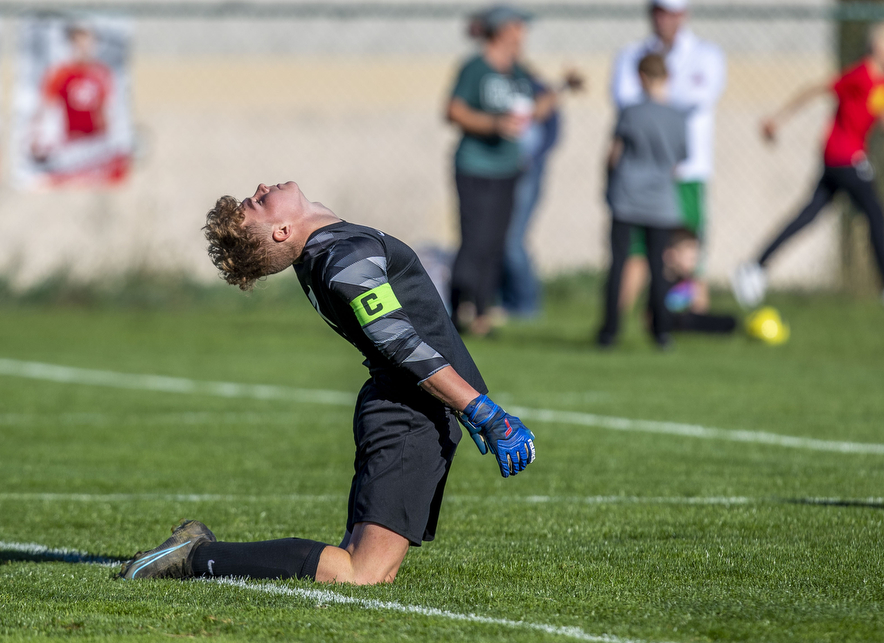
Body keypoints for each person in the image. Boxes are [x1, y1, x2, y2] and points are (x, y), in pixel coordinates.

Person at [118, 181, 536, 585]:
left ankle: (197, 554)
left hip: (403, 406)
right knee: (361, 574)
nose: (263, 187)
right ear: (282, 230)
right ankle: (194, 555)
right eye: (258, 202)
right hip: (410, 413)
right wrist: (482, 411)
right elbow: (402, 343)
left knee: (357, 563)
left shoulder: (329, 250)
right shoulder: (342, 258)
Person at [733, 20, 884, 311]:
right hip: (844, 156)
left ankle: (753, 269)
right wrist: (778, 119)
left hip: (846, 157)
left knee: (809, 214)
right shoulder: (860, 75)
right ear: (880, 46)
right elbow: (816, 89)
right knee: (876, 212)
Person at [611, 0, 725, 317]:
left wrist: (654, 99)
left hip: (688, 171)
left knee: (686, 250)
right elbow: (624, 100)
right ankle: (617, 322)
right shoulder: (631, 54)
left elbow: (700, 98)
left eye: (673, 14)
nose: (666, 21)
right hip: (641, 173)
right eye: (660, 12)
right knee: (636, 251)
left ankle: (687, 317)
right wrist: (664, 99)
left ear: (684, 15)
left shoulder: (707, 54)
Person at [446, 5, 554, 336]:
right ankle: (456, 307)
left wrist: (550, 100)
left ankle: (481, 314)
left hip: (508, 168)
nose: (523, 35)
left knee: (495, 243)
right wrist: (493, 124)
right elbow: (454, 110)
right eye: (519, 27)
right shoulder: (476, 68)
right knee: (474, 241)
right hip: (475, 165)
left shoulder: (518, 72)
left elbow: (532, 108)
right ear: (503, 30)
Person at [598, 54, 687, 350]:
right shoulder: (677, 116)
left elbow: (614, 153)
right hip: (661, 200)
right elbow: (679, 160)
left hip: (627, 196)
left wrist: (607, 184)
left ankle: (609, 331)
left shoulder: (631, 112)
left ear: (642, 77)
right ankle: (661, 333)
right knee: (658, 265)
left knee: (619, 263)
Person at [499, 69, 583, 320]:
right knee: (497, 239)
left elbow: (551, 129)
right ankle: (506, 301)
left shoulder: (535, 86)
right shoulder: (499, 85)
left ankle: (527, 305)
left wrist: (532, 158)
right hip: (497, 172)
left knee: (512, 240)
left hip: (527, 171)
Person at [29, 23, 129, 183]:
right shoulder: (61, 73)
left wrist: (110, 138)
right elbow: (43, 109)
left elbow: (106, 111)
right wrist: (35, 138)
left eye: (88, 42)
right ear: (71, 44)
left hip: (98, 143)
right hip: (72, 143)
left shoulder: (102, 73)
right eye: (79, 42)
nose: (84, 47)